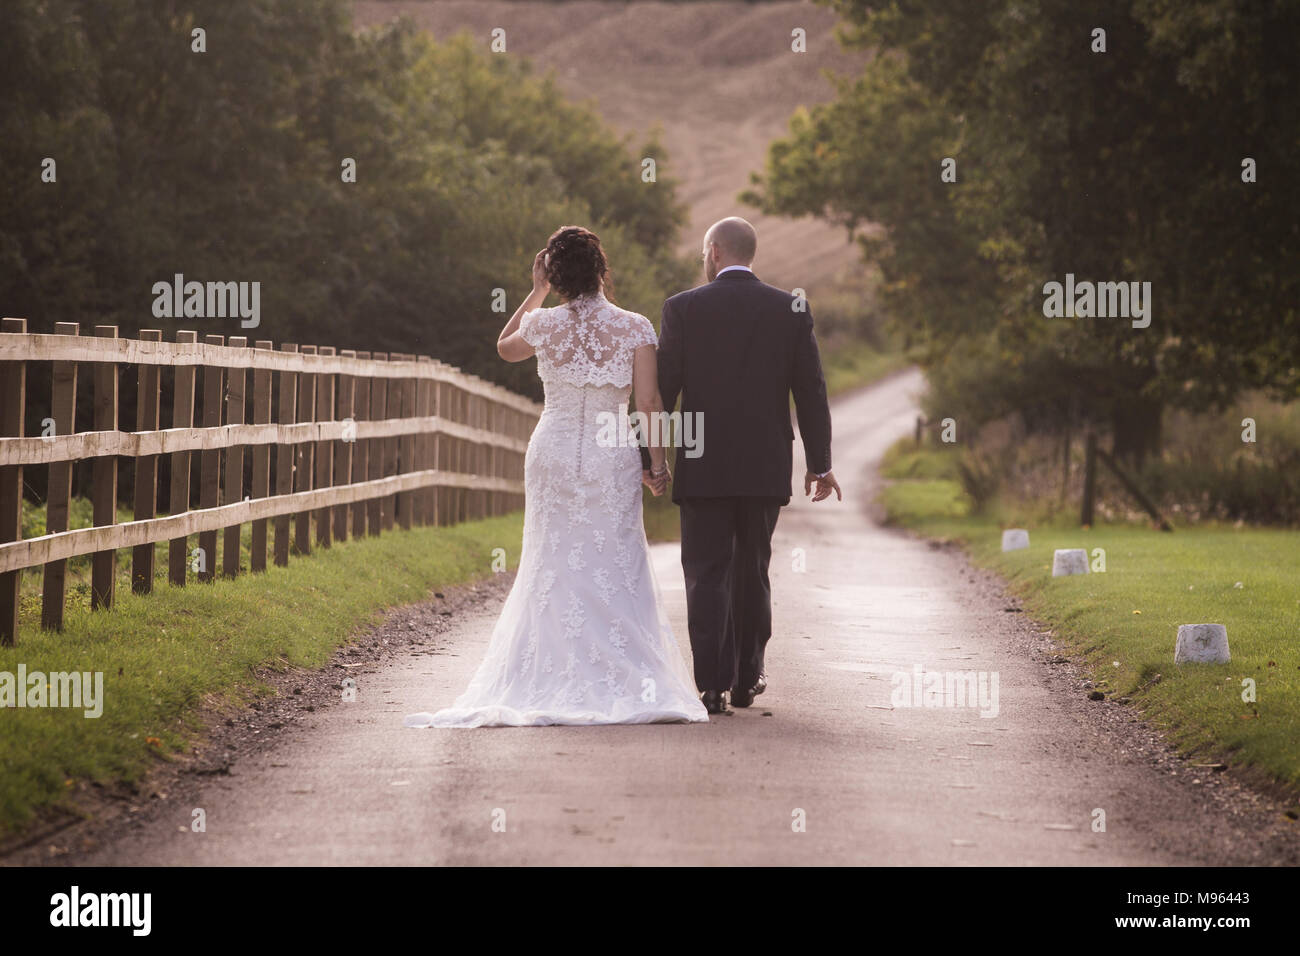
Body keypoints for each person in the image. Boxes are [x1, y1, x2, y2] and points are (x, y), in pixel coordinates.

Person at [404, 225, 708, 727]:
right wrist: (657, 463)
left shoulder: (542, 324)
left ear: (556, 273)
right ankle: (624, 674)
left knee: (551, 558)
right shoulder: (634, 327)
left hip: (553, 448)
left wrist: (536, 290)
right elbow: (649, 402)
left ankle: (549, 670)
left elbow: (504, 347)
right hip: (611, 451)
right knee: (612, 555)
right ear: (602, 270)